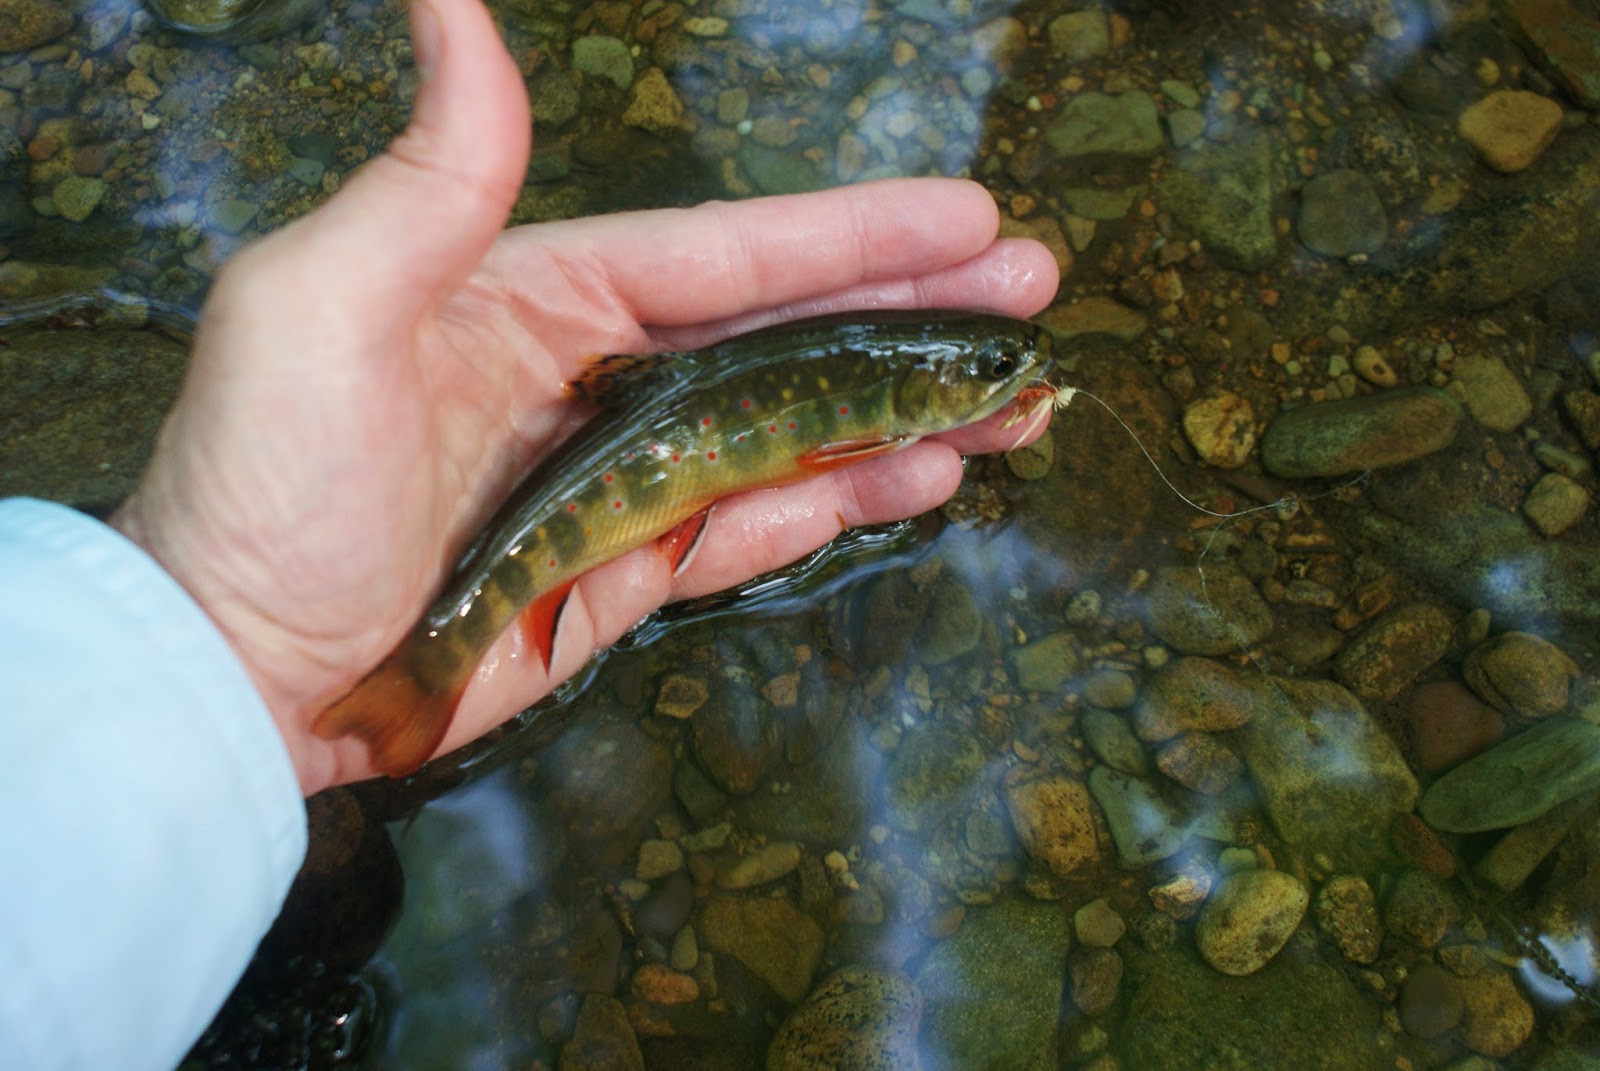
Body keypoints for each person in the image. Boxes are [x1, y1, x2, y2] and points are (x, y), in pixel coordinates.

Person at [0, 0, 1059, 1065]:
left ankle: (386, 682)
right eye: (985, 368)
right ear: (915, 389)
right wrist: (237, 647)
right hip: (646, 449)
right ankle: (422, 671)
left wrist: (220, 649)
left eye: (993, 370)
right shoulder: (871, 405)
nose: (1006, 375)